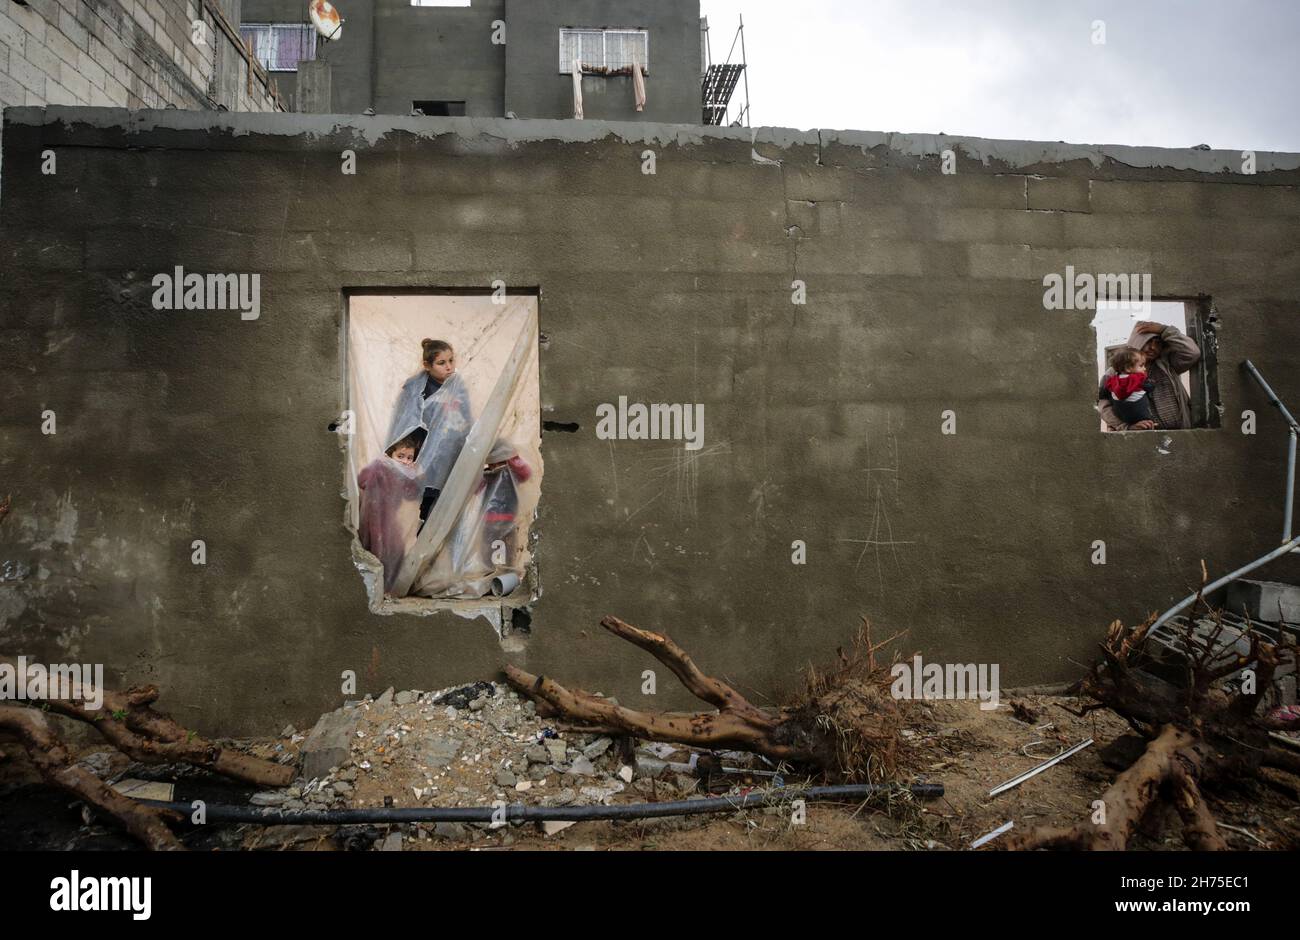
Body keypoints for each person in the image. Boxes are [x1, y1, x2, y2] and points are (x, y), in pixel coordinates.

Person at [383, 339, 473, 525]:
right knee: (418, 509)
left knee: (443, 510)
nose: (449, 367)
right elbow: (404, 424)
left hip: (448, 456)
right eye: (441, 363)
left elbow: (466, 420)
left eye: (451, 361)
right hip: (421, 459)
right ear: (427, 365)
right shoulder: (415, 389)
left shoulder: (458, 386)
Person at [1097, 320, 1201, 431]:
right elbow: (1103, 404)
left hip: (1179, 434)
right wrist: (1126, 427)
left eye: (1158, 343)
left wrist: (1165, 330)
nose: (1153, 347)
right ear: (1136, 341)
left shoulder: (1167, 364)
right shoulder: (1115, 373)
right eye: (1148, 341)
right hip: (1141, 438)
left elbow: (1192, 353)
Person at [357, 435, 423, 595]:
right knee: (378, 550)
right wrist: (379, 464)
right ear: (389, 455)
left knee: (396, 550)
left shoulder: (403, 474)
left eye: (409, 458)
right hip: (375, 517)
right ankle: (377, 589)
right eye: (400, 456)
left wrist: (414, 473)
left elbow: (412, 494)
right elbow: (362, 480)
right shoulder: (381, 467)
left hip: (390, 519)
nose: (405, 461)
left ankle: (386, 587)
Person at [477, 440, 533, 571]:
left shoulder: (513, 473)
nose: (495, 465)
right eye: (492, 462)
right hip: (489, 521)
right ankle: (490, 576)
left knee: (508, 552)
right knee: (488, 552)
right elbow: (475, 488)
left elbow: (527, 473)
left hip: (507, 520)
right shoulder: (486, 476)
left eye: (499, 460)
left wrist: (511, 458)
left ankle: (506, 575)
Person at [1098, 347, 1154, 427]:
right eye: (1141, 366)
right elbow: (1102, 402)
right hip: (1142, 420)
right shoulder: (1138, 378)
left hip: (1123, 417)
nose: (1144, 369)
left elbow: (1104, 392)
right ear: (1128, 368)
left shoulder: (1112, 380)